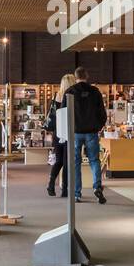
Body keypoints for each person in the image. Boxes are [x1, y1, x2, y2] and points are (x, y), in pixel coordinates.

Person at [63, 66, 107, 203]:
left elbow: (63, 113)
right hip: (91, 132)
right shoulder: (95, 91)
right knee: (94, 160)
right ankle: (97, 186)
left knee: (75, 162)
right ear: (87, 76)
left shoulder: (69, 91)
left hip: (75, 132)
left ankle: (77, 193)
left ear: (75, 77)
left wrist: (67, 130)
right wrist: (99, 126)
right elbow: (102, 112)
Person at [46, 72, 75, 197]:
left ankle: (51, 184)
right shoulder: (72, 97)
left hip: (57, 132)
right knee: (67, 162)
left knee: (59, 161)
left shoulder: (56, 96)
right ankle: (65, 190)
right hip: (69, 132)